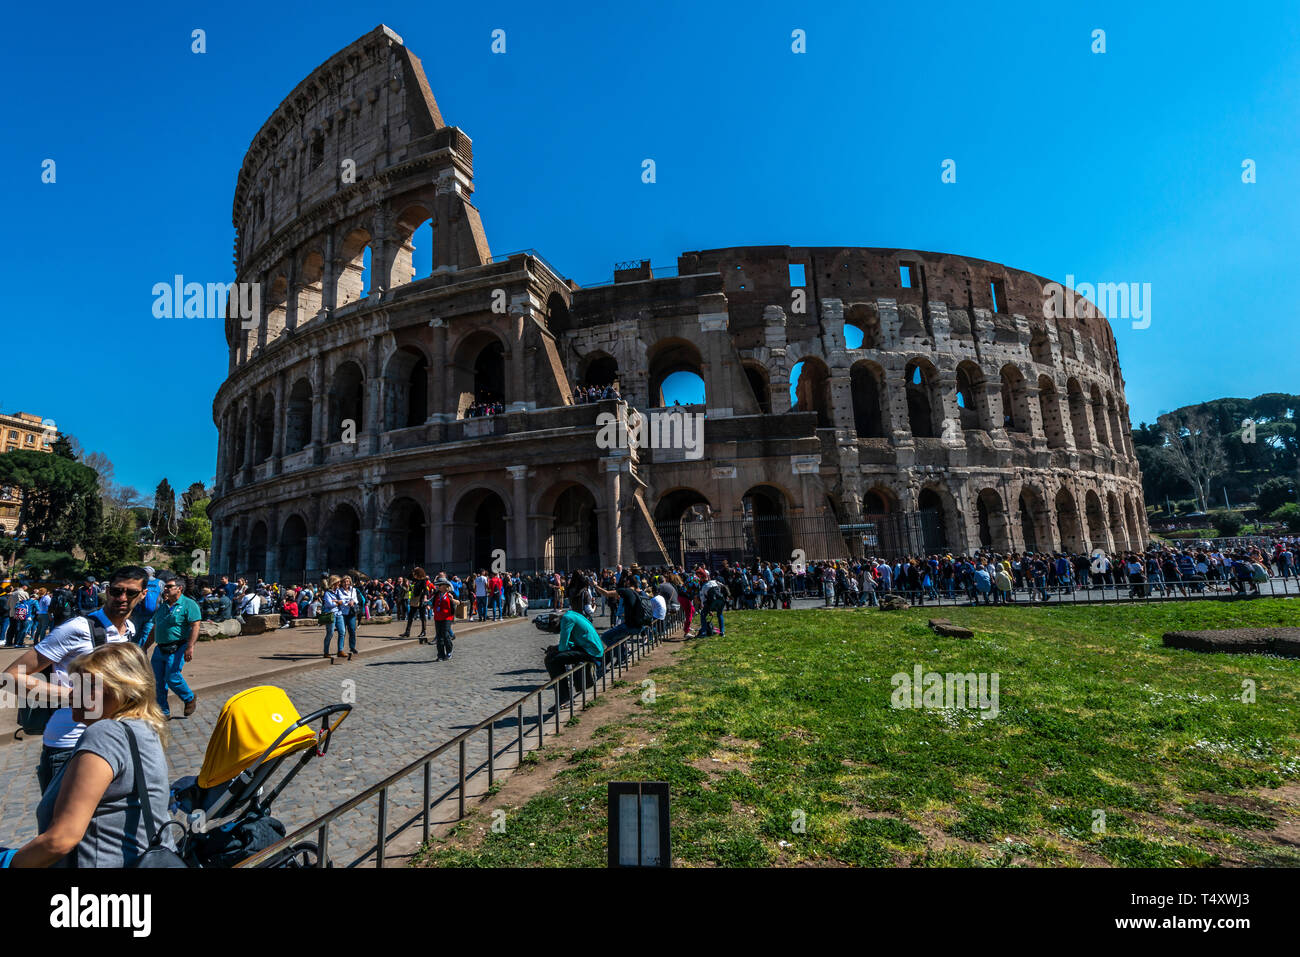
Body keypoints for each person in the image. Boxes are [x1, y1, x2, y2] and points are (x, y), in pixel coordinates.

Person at [1, 642, 170, 867]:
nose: (73, 693)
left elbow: (61, 839)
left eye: (86, 685)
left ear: (121, 689)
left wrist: (8, 863)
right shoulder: (144, 727)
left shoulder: (106, 733)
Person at [2, 566, 148, 794]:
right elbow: (11, 677)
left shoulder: (128, 629)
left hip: (111, 739)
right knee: (62, 826)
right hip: (70, 744)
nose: (122, 598)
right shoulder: (77, 629)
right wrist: (75, 696)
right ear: (107, 591)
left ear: (143, 594)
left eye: (130, 593)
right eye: (117, 591)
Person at [142, 573, 201, 718]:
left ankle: (189, 698)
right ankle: (163, 711)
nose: (165, 589)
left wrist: (190, 647)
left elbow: (195, 626)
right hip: (160, 648)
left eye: (169, 586)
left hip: (178, 647)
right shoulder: (162, 607)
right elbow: (154, 628)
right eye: (165, 587)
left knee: (172, 676)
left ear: (179, 588)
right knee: (158, 681)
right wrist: (145, 646)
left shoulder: (189, 604)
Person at [430, 575, 459, 660]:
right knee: (439, 637)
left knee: (445, 635)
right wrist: (428, 606)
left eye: (439, 585)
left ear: (445, 585)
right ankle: (440, 655)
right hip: (437, 617)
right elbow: (433, 604)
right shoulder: (436, 594)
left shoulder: (451, 593)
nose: (438, 587)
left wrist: (452, 600)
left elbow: (458, 602)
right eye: (437, 585)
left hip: (447, 617)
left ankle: (449, 651)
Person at [401, 568, 429, 641]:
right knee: (410, 616)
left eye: (415, 573)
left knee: (422, 616)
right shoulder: (415, 579)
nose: (413, 574)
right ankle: (407, 632)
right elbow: (408, 577)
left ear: (418, 574)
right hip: (414, 599)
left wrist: (425, 598)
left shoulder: (423, 580)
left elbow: (425, 590)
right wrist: (413, 570)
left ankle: (423, 631)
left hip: (420, 600)